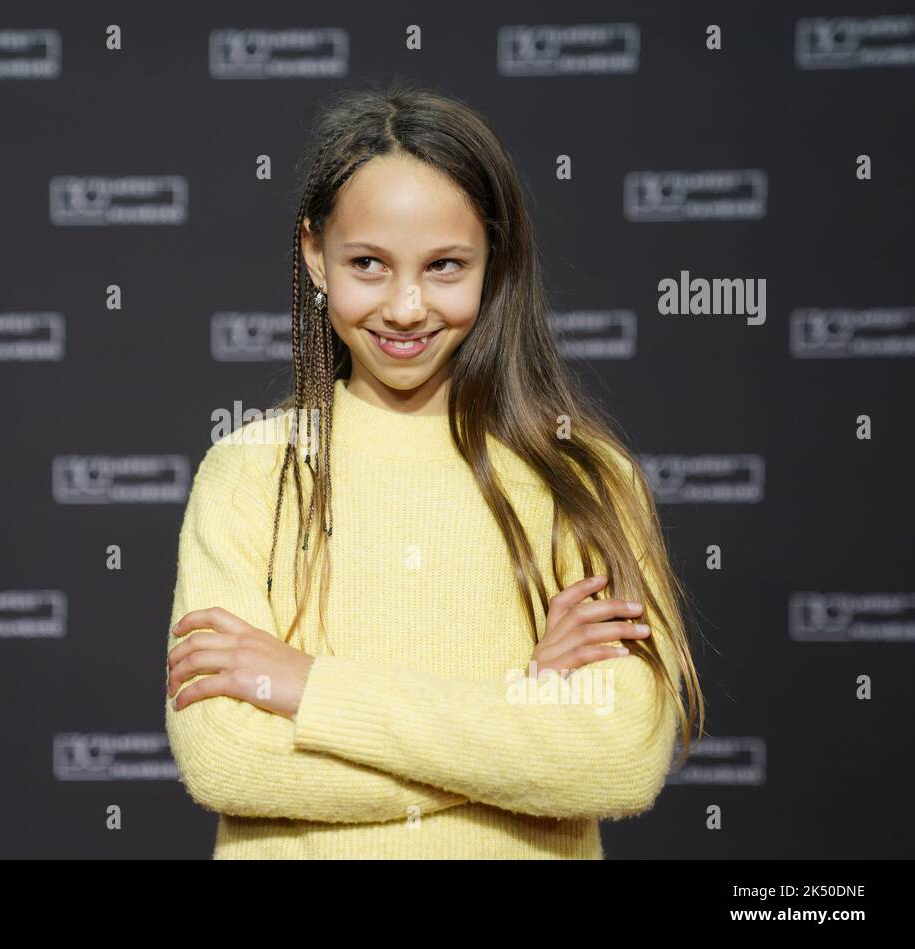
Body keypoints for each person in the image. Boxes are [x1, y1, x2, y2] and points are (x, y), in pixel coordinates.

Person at [164, 78, 706, 859]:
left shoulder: (583, 476)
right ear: (316, 255)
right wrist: (522, 706)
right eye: (369, 264)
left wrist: (311, 687)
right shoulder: (247, 472)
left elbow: (617, 757)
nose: (408, 306)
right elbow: (228, 757)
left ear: (496, 257)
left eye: (447, 265)